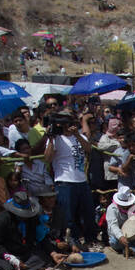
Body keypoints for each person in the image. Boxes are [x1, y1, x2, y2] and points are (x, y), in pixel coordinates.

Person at [45, 109, 95, 254]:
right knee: (68, 216)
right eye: (64, 123)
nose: (67, 125)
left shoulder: (78, 136)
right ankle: (72, 242)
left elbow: (88, 149)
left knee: (88, 213)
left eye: (69, 122)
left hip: (81, 180)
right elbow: (47, 158)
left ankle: (90, 239)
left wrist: (77, 135)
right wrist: (51, 138)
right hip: (64, 181)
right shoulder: (56, 138)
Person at [0, 190, 67, 270]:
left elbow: (41, 238)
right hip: (8, 253)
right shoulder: (2, 219)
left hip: (26, 253)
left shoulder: (32, 217)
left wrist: (53, 253)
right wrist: (12, 259)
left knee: (43, 257)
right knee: (4, 267)